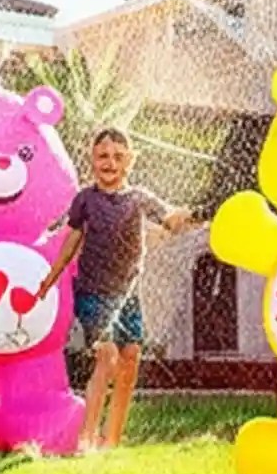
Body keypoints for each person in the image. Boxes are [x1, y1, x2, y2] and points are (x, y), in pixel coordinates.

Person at [38, 127, 201, 453]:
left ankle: (111, 440)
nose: (109, 162)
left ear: (129, 161)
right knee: (108, 356)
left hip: (127, 295)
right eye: (102, 156)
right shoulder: (86, 200)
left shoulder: (139, 198)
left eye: (117, 156)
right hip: (93, 292)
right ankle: (86, 440)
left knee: (130, 359)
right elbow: (71, 241)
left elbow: (168, 219)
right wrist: (50, 279)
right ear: (92, 160)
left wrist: (182, 216)